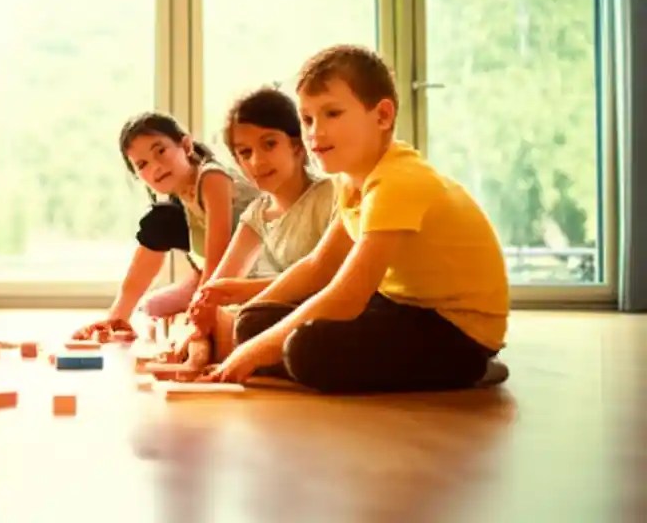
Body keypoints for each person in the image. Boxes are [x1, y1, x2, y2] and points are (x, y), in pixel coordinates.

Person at [198, 45, 509, 392]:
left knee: (306, 348)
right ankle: (279, 355)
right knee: (255, 323)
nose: (315, 131)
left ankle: (471, 369)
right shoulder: (350, 182)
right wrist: (247, 317)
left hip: (457, 330)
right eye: (307, 119)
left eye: (332, 113)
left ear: (382, 116)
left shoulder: (398, 180)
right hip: (401, 308)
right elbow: (318, 266)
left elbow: (348, 295)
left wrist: (256, 351)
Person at [161, 86, 335, 367]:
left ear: (297, 144)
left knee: (247, 322)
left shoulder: (330, 194)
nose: (257, 161)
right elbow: (219, 282)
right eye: (245, 152)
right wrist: (200, 314)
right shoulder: (258, 212)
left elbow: (329, 281)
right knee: (220, 315)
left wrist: (242, 293)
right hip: (279, 311)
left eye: (269, 144)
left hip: (326, 309)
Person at [72, 112, 258, 341]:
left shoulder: (212, 178)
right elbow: (200, 263)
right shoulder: (179, 195)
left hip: (253, 272)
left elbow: (218, 260)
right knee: (151, 307)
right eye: (142, 165)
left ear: (186, 145)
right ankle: (117, 318)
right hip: (219, 277)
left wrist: (199, 312)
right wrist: (118, 316)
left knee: (205, 326)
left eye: (160, 151)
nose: (156, 167)